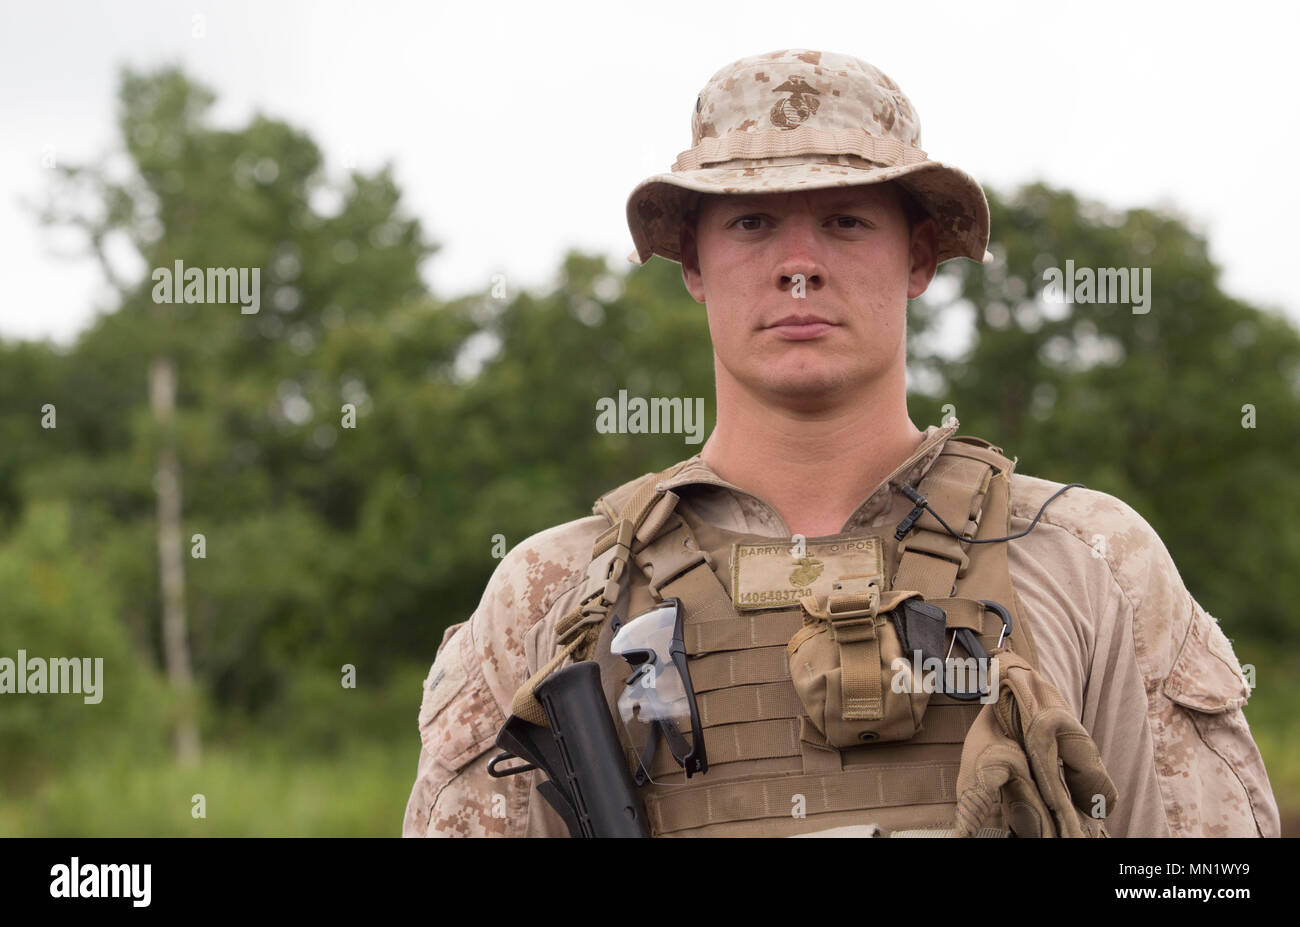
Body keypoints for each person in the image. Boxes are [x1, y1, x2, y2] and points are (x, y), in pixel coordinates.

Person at [402, 49, 1280, 837]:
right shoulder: (548, 596)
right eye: (752, 222)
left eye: (846, 221)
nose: (798, 265)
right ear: (694, 265)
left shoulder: (1093, 561)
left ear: (920, 258)